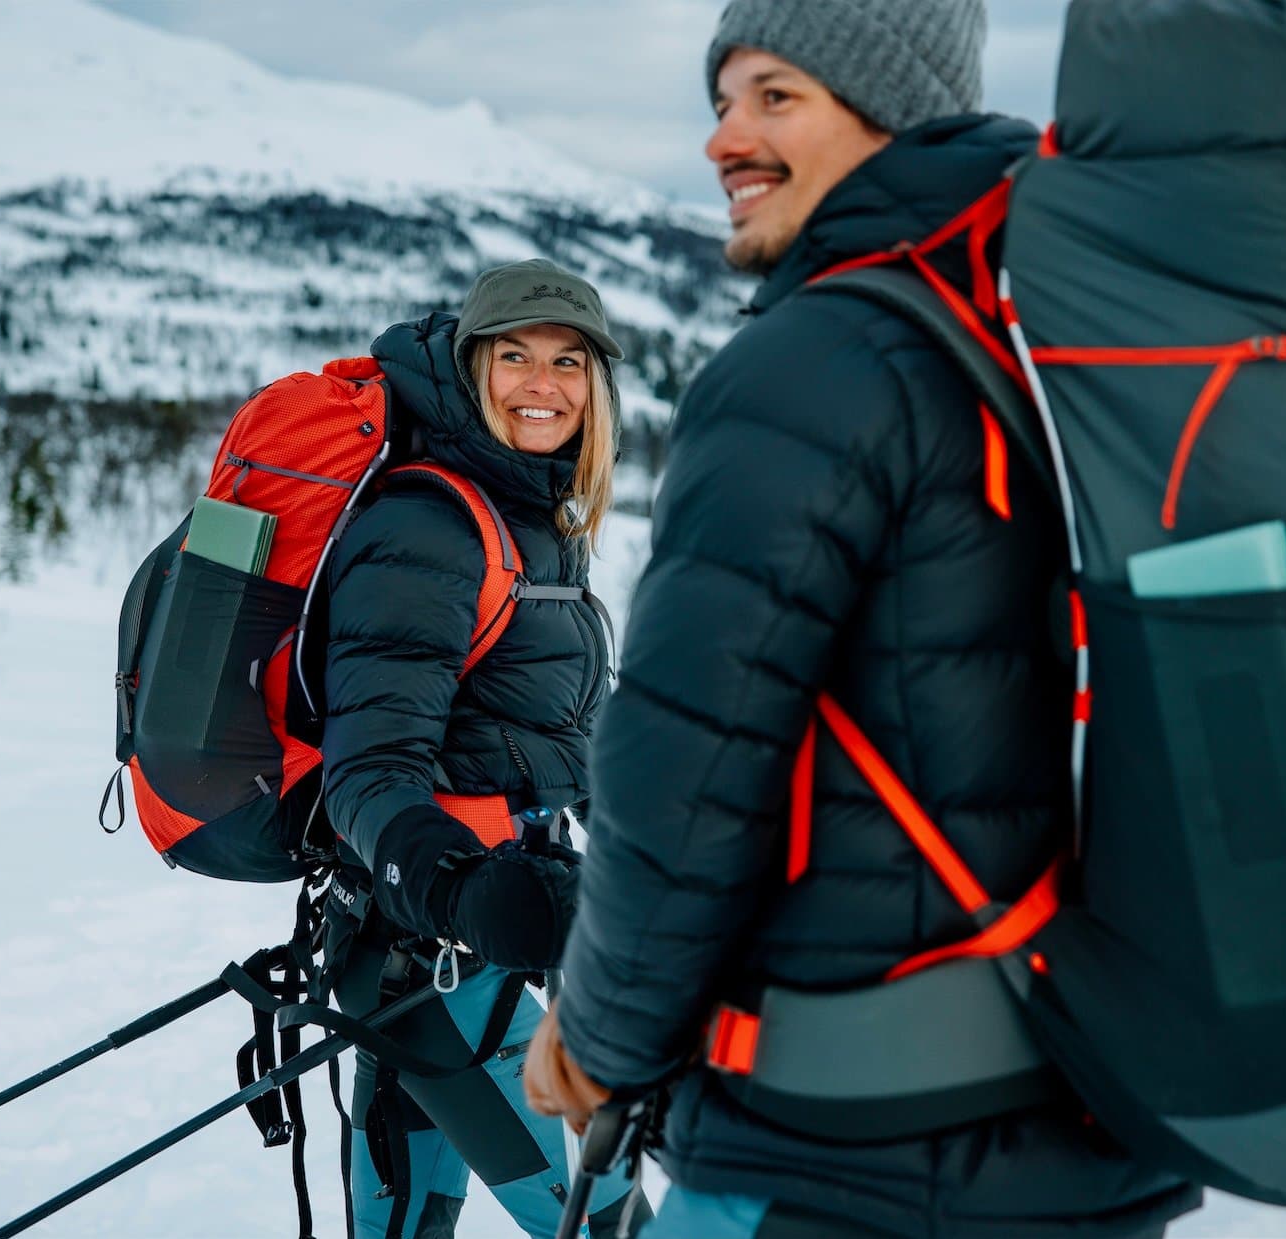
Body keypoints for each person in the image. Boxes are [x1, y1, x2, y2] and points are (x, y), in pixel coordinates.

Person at [525, 2, 1204, 1236]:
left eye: (776, 96)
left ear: (891, 106)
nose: (725, 138)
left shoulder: (818, 360)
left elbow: (686, 758)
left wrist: (604, 1036)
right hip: (1099, 1123)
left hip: (845, 1151)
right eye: (722, 99)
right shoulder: (1057, 328)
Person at [318, 258, 651, 1238]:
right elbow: (368, 772)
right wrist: (460, 888)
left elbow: (556, 732)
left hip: (513, 929)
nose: (542, 385)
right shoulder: (429, 525)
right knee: (612, 1223)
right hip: (438, 954)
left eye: (567, 362)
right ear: (472, 369)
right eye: (515, 357)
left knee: (413, 1214)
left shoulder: (535, 518)